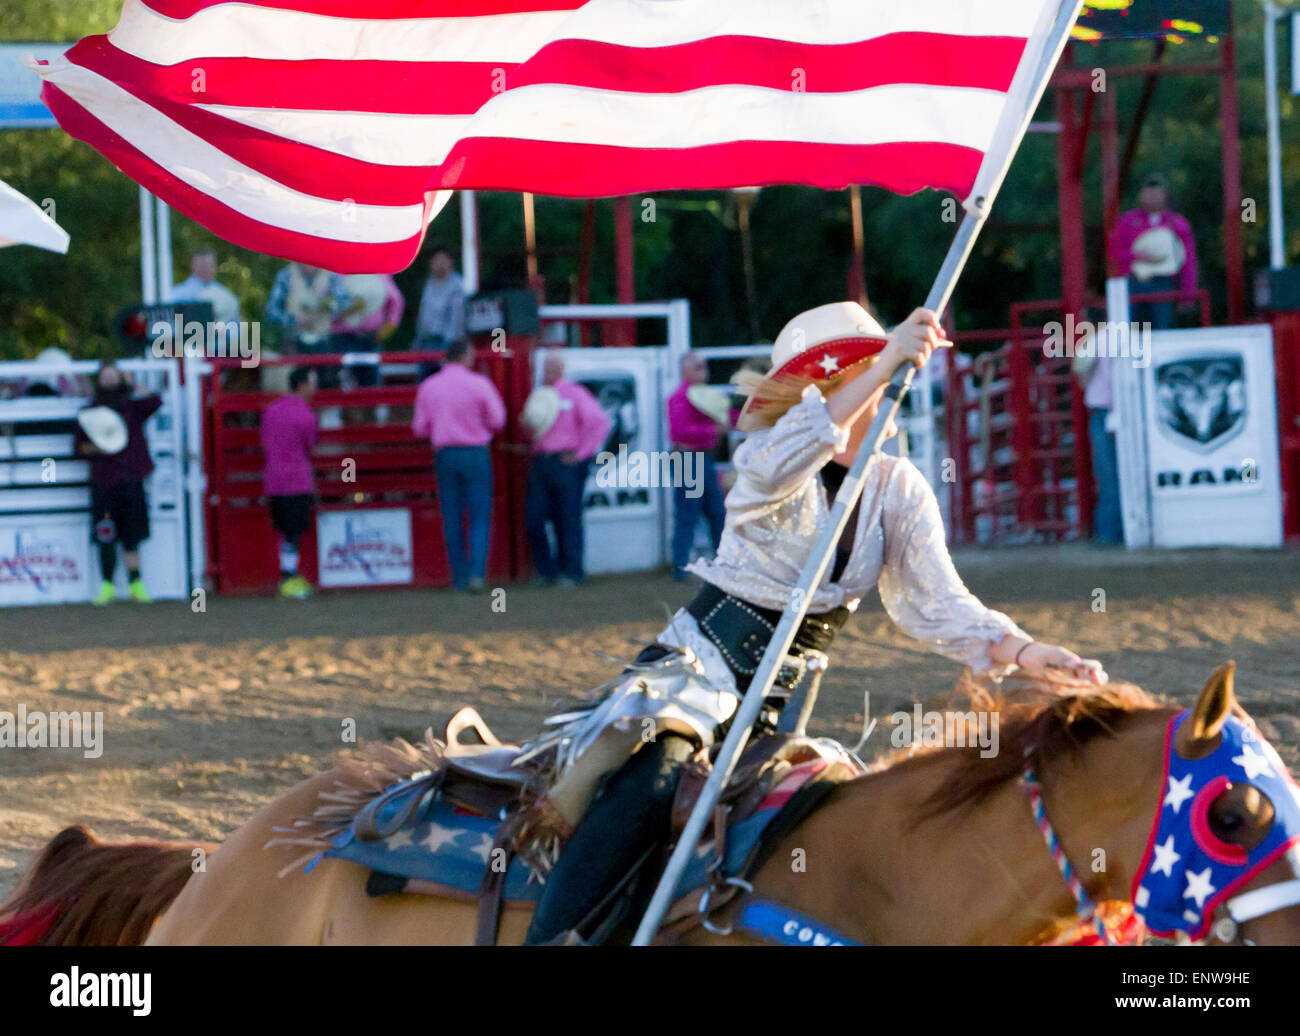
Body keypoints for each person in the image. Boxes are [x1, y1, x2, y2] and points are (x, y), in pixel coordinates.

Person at [517, 301, 1108, 945]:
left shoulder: (898, 487)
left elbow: (939, 600)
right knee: (654, 785)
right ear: (832, 389)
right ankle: (555, 939)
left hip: (781, 705)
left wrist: (1026, 651)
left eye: (897, 379)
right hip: (694, 678)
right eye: (882, 380)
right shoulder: (766, 460)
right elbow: (786, 456)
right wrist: (883, 362)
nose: (895, 395)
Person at [411, 340, 505, 592]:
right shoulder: (479, 384)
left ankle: (459, 578)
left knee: (451, 516)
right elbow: (499, 419)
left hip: (445, 454)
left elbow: (419, 428)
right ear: (465, 356)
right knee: (479, 516)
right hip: (475, 453)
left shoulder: (429, 387)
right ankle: (477, 574)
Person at [74, 365, 162, 606]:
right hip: (104, 484)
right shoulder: (89, 412)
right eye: (106, 376)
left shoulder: (131, 407)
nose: (110, 380)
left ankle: (136, 584)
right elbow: (79, 449)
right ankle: (107, 586)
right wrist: (101, 447)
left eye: (114, 376)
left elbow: (155, 401)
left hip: (131, 481)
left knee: (131, 536)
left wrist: (132, 383)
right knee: (105, 535)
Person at [523, 353, 610, 587]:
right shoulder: (540, 396)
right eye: (546, 368)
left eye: (552, 368)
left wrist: (581, 454)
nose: (548, 372)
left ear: (561, 369)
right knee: (535, 516)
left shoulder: (574, 393)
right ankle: (547, 571)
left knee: (568, 516)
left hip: (566, 461)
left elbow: (599, 423)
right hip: (543, 460)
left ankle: (571, 572)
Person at [1109, 174, 1198, 331]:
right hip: (1133, 282)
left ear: (1165, 195)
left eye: (1156, 193)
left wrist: (1188, 294)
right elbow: (1114, 254)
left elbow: (1187, 261)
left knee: (1162, 329)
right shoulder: (1128, 221)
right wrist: (1138, 257)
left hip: (1163, 284)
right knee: (1126, 330)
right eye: (1148, 193)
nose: (1152, 197)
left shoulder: (1177, 224)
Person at [667, 352, 727, 580]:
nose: (704, 372)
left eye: (703, 367)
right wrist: (714, 431)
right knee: (690, 513)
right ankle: (683, 566)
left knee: (711, 512)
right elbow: (681, 431)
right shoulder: (681, 398)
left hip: (698, 457)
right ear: (685, 371)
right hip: (690, 457)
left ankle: (713, 563)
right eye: (698, 367)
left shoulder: (693, 396)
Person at [261, 367, 319, 599]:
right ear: (302, 385)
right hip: (296, 480)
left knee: (285, 531)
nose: (315, 388)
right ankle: (288, 578)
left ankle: (289, 576)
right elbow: (310, 445)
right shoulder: (306, 415)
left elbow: (265, 441)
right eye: (312, 383)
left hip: (274, 480)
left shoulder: (271, 410)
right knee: (293, 533)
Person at [265, 262, 352, 388]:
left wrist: (328, 309)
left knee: (326, 386)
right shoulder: (286, 275)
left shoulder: (330, 275)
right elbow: (272, 310)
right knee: (295, 386)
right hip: (293, 342)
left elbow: (345, 304)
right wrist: (294, 320)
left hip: (324, 342)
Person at [1075, 336, 1123, 545]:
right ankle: (1114, 531)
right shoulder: (1121, 335)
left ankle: (1108, 534)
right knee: (1114, 474)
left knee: (1107, 474)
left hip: (1103, 411)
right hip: (1116, 409)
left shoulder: (1096, 339)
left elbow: (1079, 367)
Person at [169, 246, 242, 333]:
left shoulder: (228, 296)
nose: (206, 268)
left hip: (219, 344)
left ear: (215, 265)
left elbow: (236, 329)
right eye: (202, 264)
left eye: (209, 264)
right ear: (192, 264)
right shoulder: (175, 295)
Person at [413, 247, 466, 350]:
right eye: (435, 259)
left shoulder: (457, 285)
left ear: (450, 261)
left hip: (446, 343)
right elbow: (423, 315)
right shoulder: (429, 284)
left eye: (441, 259)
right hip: (425, 342)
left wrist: (454, 344)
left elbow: (459, 316)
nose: (438, 263)